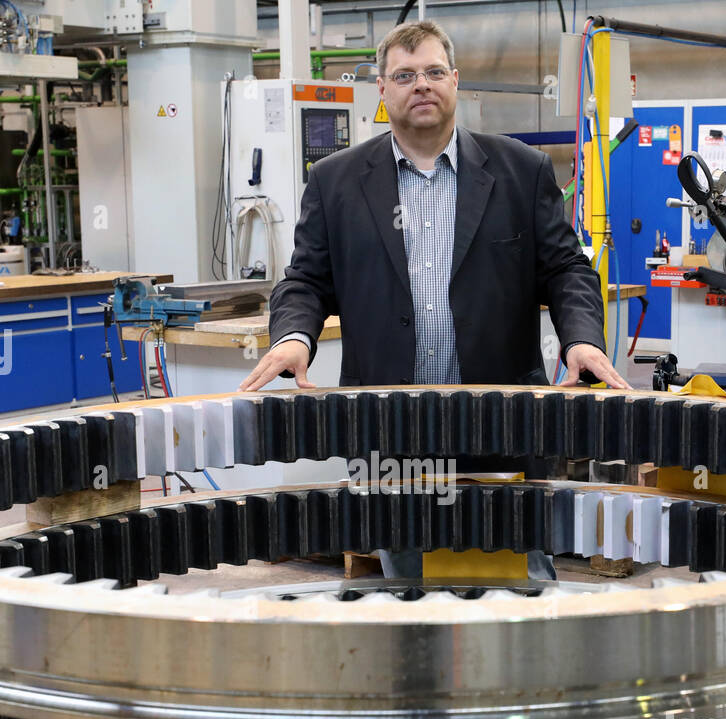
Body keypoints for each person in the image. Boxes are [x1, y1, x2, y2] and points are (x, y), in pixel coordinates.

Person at [241, 19, 628, 576]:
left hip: (503, 424)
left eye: (432, 72)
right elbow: (305, 280)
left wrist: (582, 341)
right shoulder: (336, 181)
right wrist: (296, 337)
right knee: (409, 601)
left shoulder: (522, 171)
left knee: (520, 591)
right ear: (382, 89)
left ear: (455, 80)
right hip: (391, 431)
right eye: (404, 75)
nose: (420, 84)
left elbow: (567, 269)